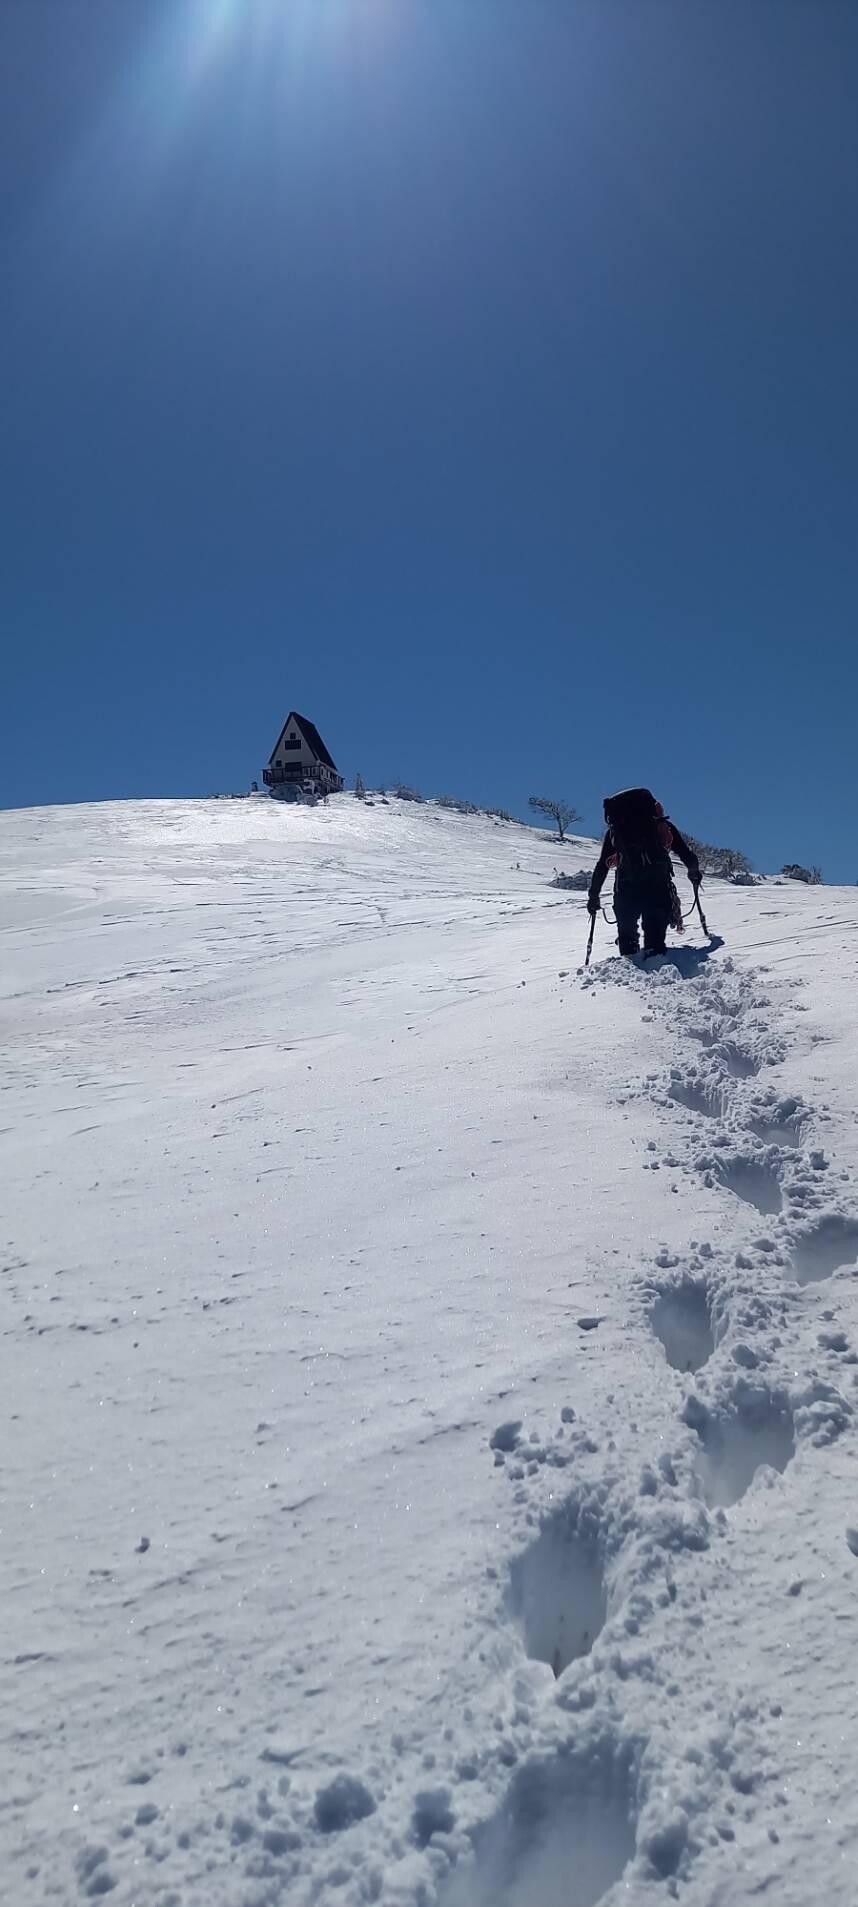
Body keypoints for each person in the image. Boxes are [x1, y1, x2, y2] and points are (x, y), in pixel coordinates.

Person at [587, 788, 701, 958]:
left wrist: (593, 895)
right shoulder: (661, 826)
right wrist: (694, 872)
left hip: (626, 890)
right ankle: (658, 974)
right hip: (657, 887)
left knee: (628, 944)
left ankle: (628, 976)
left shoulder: (615, 832)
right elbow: (686, 854)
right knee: (655, 945)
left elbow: (602, 865)